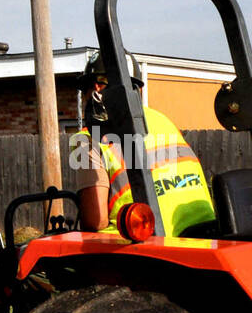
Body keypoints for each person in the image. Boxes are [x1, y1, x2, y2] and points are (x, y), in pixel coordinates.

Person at [72, 52, 216, 237]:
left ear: (97, 88)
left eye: (85, 91)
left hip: (146, 244)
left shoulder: (88, 137)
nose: (85, 98)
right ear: (137, 90)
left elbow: (95, 221)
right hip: (203, 236)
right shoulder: (163, 120)